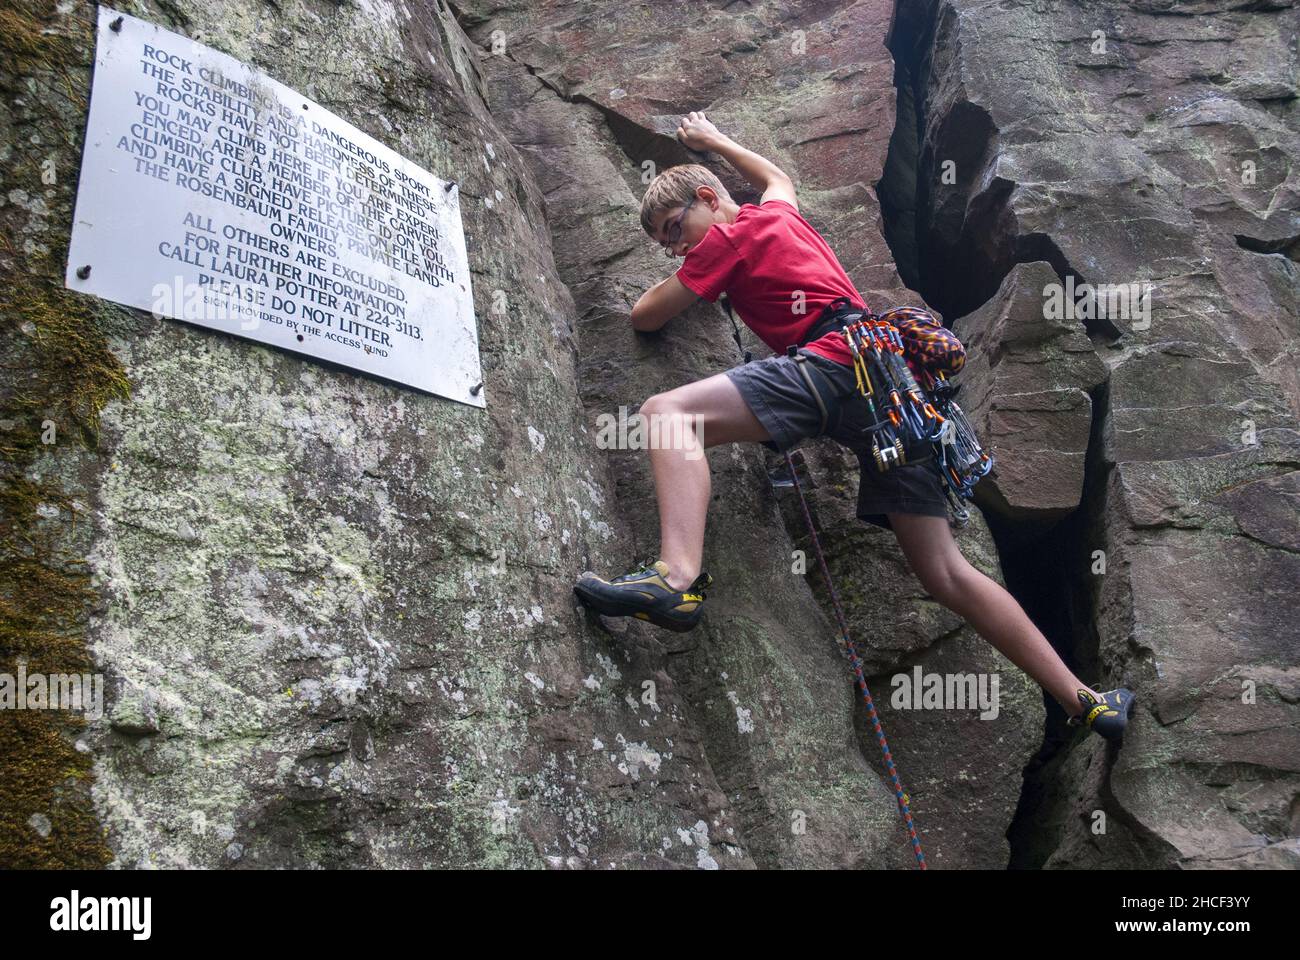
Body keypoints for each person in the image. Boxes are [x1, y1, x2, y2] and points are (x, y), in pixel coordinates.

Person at [574, 112, 1134, 742]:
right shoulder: (779, 216)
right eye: (666, 244)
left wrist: (683, 260)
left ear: (709, 199)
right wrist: (714, 140)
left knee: (664, 413)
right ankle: (1086, 700)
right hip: (897, 394)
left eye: (676, 229)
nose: (678, 248)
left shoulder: (727, 241)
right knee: (945, 573)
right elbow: (777, 177)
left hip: (835, 364)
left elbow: (647, 316)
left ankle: (676, 578)